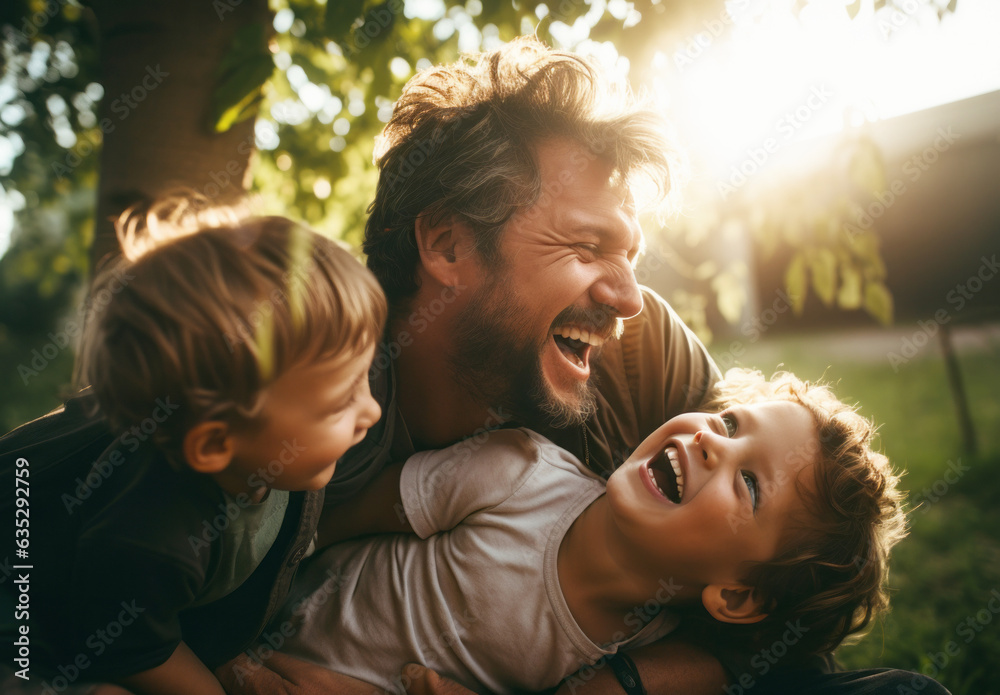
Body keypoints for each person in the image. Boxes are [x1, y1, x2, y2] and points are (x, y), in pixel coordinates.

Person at [294, 36, 947, 694]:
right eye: (587, 245)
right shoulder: (300, 391)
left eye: (631, 254)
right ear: (447, 243)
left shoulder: (639, 352)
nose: (629, 298)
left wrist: (616, 686)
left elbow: (786, 607)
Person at [231, 369, 907, 695]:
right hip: (242, 634)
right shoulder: (516, 470)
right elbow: (325, 520)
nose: (710, 442)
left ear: (734, 596)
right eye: (730, 423)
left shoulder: (636, 657)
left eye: (749, 482)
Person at [0, 198, 386, 694]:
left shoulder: (276, 461)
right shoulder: (152, 524)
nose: (371, 412)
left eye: (364, 379)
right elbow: (127, 649)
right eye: (340, 403)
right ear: (215, 444)